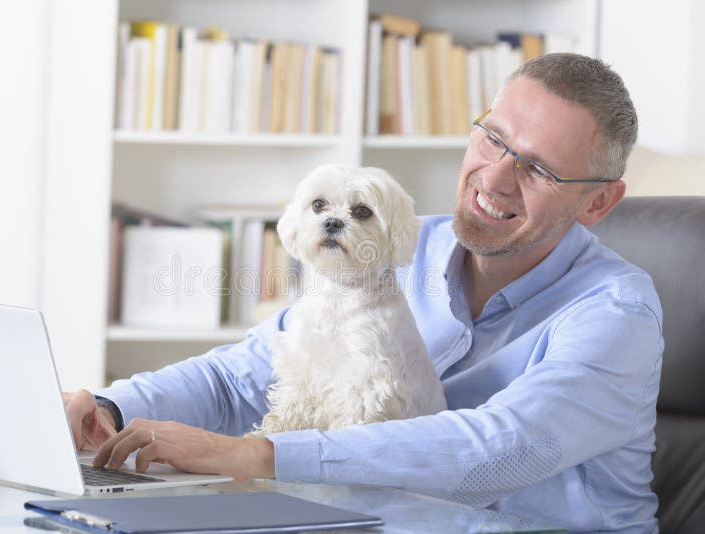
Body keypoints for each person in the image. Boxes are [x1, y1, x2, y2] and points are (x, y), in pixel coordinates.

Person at [65, 53, 662, 533]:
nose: (496, 177)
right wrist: (110, 410)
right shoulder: (402, 246)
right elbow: (245, 374)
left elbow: (506, 448)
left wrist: (261, 455)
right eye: (493, 139)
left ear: (598, 202)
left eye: (539, 170)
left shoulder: (616, 313)